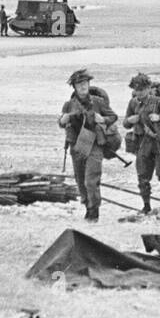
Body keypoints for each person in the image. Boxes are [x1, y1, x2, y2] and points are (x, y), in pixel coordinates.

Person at [59, 69, 118, 222]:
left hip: (94, 144)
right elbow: (61, 122)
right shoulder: (69, 105)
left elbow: (113, 116)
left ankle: (94, 211)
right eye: (79, 84)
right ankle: (88, 207)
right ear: (74, 87)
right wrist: (63, 120)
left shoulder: (98, 102)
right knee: (80, 181)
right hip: (77, 146)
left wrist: (102, 119)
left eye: (85, 83)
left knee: (91, 180)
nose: (83, 86)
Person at [124, 73, 160, 213]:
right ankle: (146, 206)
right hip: (142, 143)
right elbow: (125, 123)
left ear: (148, 88)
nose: (139, 92)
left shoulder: (158, 101)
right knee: (142, 177)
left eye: (142, 89)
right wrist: (130, 121)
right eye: (137, 90)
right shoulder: (133, 103)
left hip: (159, 143)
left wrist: (159, 117)